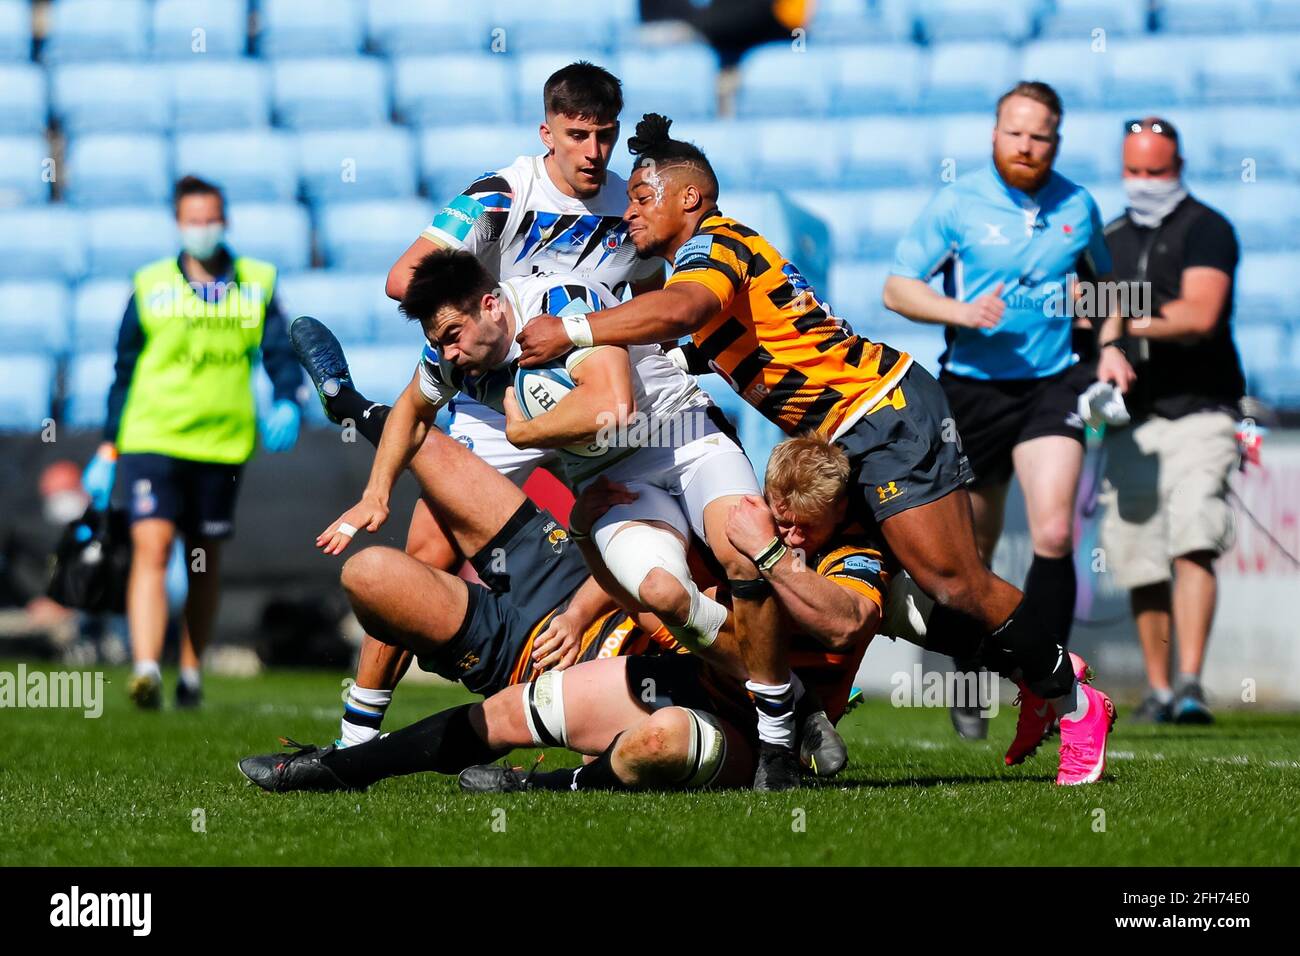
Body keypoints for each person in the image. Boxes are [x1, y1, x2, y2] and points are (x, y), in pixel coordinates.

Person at [515, 113, 1116, 785]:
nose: (629, 212)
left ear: (690, 198)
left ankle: (1072, 699)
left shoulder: (713, 249)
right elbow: (721, 341)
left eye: (642, 198)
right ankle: (1033, 675)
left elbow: (683, 310)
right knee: (899, 604)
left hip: (882, 415)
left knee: (953, 581)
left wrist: (573, 329)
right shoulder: (712, 257)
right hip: (854, 432)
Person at [319, 249, 804, 791]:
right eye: (439, 342)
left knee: (735, 552)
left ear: (491, 306)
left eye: (453, 333)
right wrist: (375, 494)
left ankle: (789, 713)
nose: (448, 351)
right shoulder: (457, 354)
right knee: (376, 563)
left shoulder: (559, 305)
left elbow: (612, 407)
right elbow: (412, 408)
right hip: (603, 507)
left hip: (677, 444)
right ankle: (357, 739)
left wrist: (524, 435)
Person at [298, 61, 666, 748]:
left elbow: (651, 298)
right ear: (546, 130)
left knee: (656, 532)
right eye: (577, 134)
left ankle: (753, 686)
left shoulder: (632, 203)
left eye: (605, 136)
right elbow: (404, 278)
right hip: (503, 402)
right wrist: (488, 312)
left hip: (600, 401)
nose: (592, 151)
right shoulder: (499, 195)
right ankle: (359, 732)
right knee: (427, 548)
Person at [239, 432, 893, 794]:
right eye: (782, 519)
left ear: (839, 515)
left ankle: (548, 790)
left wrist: (772, 553)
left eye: (807, 527)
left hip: (744, 734)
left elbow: (841, 621)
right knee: (502, 713)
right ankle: (340, 768)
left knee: (660, 742)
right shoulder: (736, 525)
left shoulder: (853, 555)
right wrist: (585, 538)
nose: (793, 534)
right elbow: (640, 593)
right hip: (690, 678)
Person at [881, 82, 1135, 739]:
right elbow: (897, 289)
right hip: (970, 391)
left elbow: (1110, 289)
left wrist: (1108, 351)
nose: (1026, 145)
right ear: (994, 134)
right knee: (972, 556)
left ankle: (1044, 687)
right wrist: (959, 311)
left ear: (1057, 140)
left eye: (1040, 134)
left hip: (1053, 384)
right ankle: (968, 672)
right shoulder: (957, 203)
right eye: (1014, 132)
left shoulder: (1079, 205)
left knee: (1053, 534)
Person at [81, 175, 303, 709]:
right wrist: (109, 446)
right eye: (192, 220)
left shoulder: (257, 283)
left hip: (222, 444)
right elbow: (124, 368)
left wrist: (288, 398)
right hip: (152, 436)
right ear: (178, 223)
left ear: (223, 220)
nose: (202, 229)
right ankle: (146, 668)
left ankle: (190, 672)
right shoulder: (151, 284)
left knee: (203, 557)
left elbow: (278, 352)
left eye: (210, 218)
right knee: (151, 547)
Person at [1097, 117, 1244, 725]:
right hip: (1133, 420)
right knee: (1140, 557)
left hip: (1201, 412)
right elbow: (1087, 314)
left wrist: (1123, 321)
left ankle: (1190, 684)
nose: (1143, 182)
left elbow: (1200, 314)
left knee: (1193, 537)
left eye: (1155, 172)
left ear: (1178, 167)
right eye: (1134, 171)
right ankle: (1158, 688)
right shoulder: (1106, 237)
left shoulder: (1208, 228)